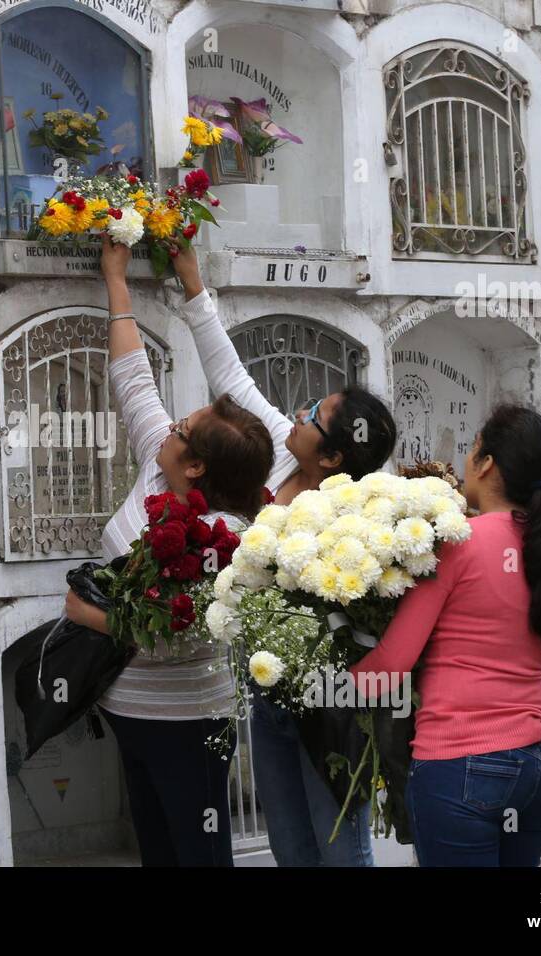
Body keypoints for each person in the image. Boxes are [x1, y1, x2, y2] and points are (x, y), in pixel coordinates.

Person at [171, 246, 398, 866]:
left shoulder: (364, 521)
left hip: (330, 699)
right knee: (290, 844)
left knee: (338, 844)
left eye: (312, 417)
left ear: (332, 458)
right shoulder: (278, 462)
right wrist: (193, 283)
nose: (295, 416)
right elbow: (231, 375)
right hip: (268, 687)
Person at [62, 237, 274, 866]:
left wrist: (89, 615)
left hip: (189, 719)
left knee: (199, 852)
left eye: (184, 428)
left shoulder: (227, 539)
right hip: (126, 706)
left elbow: (188, 634)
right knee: (157, 850)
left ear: (199, 464)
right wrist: (116, 278)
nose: (172, 422)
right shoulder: (163, 470)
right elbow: (134, 380)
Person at [349, 405, 541, 866]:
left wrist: (325, 684)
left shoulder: (460, 543)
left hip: (463, 764)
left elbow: (392, 664)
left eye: (472, 448)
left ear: (487, 462)